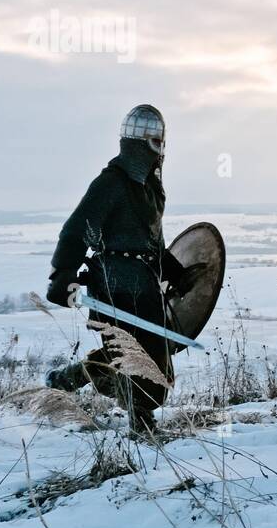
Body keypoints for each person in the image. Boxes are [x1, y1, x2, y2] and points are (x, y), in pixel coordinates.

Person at [44, 105, 202, 432]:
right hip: (113, 288)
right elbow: (76, 230)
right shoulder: (110, 184)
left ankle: (73, 376)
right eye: (154, 140)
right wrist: (63, 275)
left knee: (160, 370)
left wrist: (176, 272)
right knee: (134, 363)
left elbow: (153, 244)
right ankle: (141, 425)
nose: (159, 146)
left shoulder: (151, 189)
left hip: (145, 288)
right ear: (139, 143)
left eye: (161, 139)